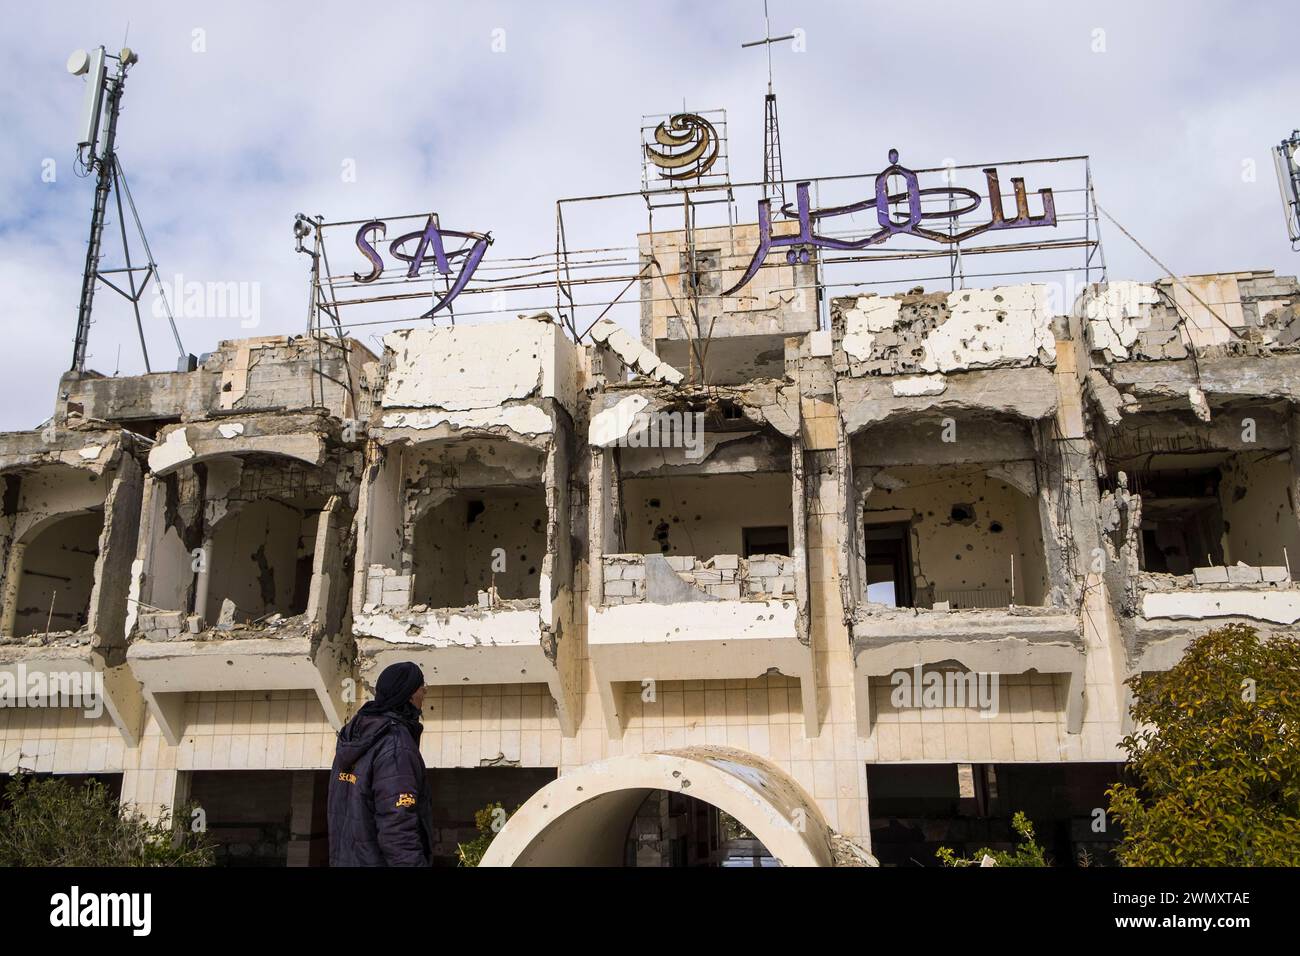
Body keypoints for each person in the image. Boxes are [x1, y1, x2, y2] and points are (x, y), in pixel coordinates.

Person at [328, 661, 434, 866]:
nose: (424, 696)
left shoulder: (353, 735)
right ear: (410, 695)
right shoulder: (395, 745)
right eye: (423, 689)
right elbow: (398, 828)